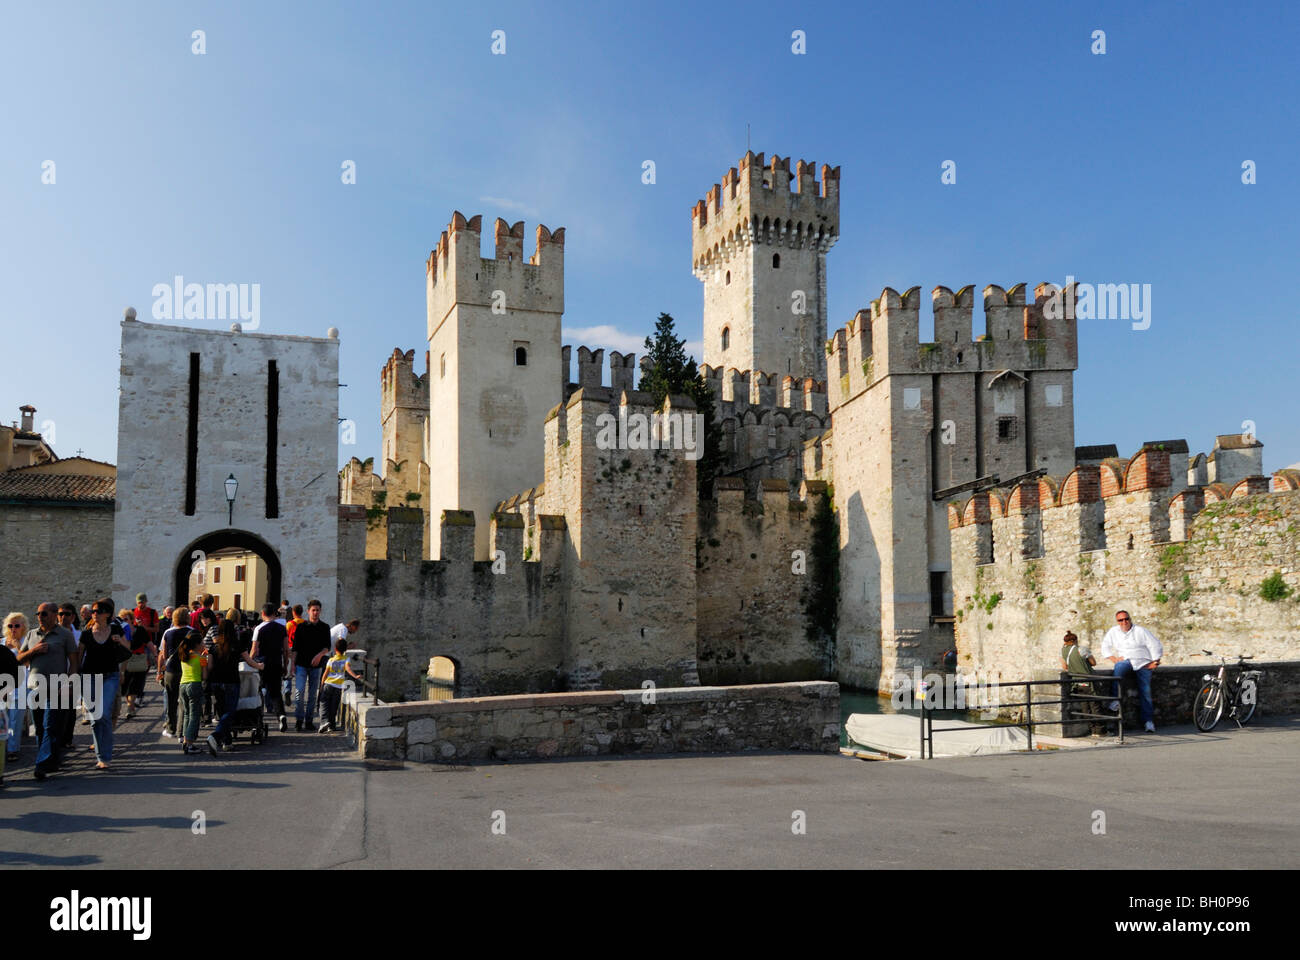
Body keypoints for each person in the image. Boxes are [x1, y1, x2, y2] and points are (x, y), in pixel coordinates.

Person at [16, 603, 79, 780]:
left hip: (56, 687)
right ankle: (51, 760)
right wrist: (33, 651)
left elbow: (73, 662)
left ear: (54, 615)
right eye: (38, 614)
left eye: (44, 614)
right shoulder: (31, 634)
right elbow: (19, 659)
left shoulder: (65, 635)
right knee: (40, 729)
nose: (40, 617)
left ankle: (41, 765)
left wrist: (69, 683)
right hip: (34, 688)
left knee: (50, 726)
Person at [78, 599, 131, 770]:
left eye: (99, 611)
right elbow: (78, 658)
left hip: (110, 676)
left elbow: (127, 648)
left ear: (107, 614)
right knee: (94, 718)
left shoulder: (115, 629)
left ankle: (105, 757)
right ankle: (100, 755)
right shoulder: (86, 633)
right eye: (93, 610)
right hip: (89, 677)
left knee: (104, 715)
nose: (95, 613)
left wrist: (119, 641)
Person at [206, 615, 263, 755]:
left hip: (216, 682)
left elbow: (210, 666)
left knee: (221, 711)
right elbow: (249, 661)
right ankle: (215, 736)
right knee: (230, 712)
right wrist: (260, 666)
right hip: (231, 681)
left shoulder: (214, 647)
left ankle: (227, 741)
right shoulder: (237, 645)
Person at [1101, 609, 1163, 732]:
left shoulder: (1140, 631)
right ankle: (1114, 699)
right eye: (1121, 620)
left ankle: (1148, 721)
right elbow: (1105, 645)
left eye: (1126, 619)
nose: (1124, 622)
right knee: (1118, 669)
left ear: (1130, 619)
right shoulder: (1113, 632)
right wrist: (1113, 658)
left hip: (1143, 662)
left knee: (1145, 691)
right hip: (1127, 660)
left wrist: (1155, 662)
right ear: (1117, 621)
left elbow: (1155, 644)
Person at [289, 600, 331, 732]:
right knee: (299, 692)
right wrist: (292, 666)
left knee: (313, 695)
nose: (315, 612)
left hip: (316, 667)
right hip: (301, 664)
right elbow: (295, 648)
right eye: (313, 610)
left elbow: (327, 647)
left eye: (317, 610)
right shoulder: (301, 627)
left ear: (320, 611)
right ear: (308, 611)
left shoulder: (325, 627)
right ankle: (298, 719)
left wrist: (319, 656)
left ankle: (309, 720)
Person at [251, 603, 289, 732]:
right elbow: (286, 649)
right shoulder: (282, 628)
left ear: (262, 614)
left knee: (259, 691)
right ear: (274, 614)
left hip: (262, 664)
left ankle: (258, 717)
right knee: (276, 692)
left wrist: (250, 662)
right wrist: (286, 664)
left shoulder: (259, 629)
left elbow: (254, 650)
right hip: (277, 662)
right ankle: (281, 715)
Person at [157, 609, 193, 738]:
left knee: (171, 701)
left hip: (172, 669)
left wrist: (159, 669)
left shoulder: (168, 632)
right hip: (188, 669)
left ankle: (171, 728)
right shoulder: (192, 631)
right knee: (185, 701)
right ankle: (183, 730)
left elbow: (164, 654)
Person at [318, 637, 363, 733]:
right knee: (334, 706)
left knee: (324, 703)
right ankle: (332, 725)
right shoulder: (346, 659)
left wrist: (321, 685)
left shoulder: (331, 660)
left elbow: (325, 674)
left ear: (335, 649)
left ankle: (324, 722)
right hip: (338, 687)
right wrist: (355, 676)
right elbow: (348, 669)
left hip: (328, 684)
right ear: (345, 650)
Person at [122, 606, 157, 721]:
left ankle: (130, 707)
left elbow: (149, 643)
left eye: (126, 619)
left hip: (139, 661)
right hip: (124, 662)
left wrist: (156, 656)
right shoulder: (120, 631)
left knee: (135, 685)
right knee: (126, 686)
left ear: (132, 619)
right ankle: (130, 706)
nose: (124, 622)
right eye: (122, 619)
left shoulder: (140, 630)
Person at [177, 628, 208, 754]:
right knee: (195, 715)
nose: (204, 645)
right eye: (202, 643)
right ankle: (189, 743)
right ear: (197, 645)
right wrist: (205, 660)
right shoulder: (200, 658)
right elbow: (204, 676)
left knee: (186, 714)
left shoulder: (184, 656)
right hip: (194, 685)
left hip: (183, 685)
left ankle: (185, 740)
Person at [3, 613, 28, 765]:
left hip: (20, 687)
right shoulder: (1, 643)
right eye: (10, 626)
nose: (13, 629)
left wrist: (18, 648)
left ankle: (13, 749)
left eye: (16, 625)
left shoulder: (26, 643)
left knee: (15, 720)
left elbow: (27, 664)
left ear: (23, 627)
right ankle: (3, 746)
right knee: (3, 720)